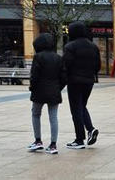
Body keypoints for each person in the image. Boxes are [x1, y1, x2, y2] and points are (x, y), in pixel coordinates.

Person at [62, 21, 101, 150]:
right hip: (89, 81)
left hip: (74, 81)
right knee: (82, 106)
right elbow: (98, 66)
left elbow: (65, 65)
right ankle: (90, 129)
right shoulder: (93, 47)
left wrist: (62, 80)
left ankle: (79, 139)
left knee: (76, 109)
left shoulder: (70, 46)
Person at [28, 33, 67, 155]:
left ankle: (38, 140)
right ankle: (53, 144)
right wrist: (58, 88)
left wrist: (32, 87)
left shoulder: (38, 57)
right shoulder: (58, 58)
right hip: (54, 91)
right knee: (53, 117)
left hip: (39, 90)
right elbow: (64, 78)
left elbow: (34, 75)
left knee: (35, 114)